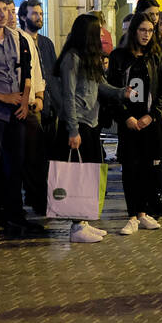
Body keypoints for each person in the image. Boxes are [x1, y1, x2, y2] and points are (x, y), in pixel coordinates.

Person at [52, 13, 128, 242]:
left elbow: (100, 86)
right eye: (99, 31)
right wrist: (73, 130)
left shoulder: (90, 58)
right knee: (76, 175)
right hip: (78, 124)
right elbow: (68, 95)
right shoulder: (72, 58)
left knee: (90, 173)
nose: (103, 35)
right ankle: (76, 226)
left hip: (92, 123)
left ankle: (83, 220)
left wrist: (121, 92)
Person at [0, 0, 40, 237]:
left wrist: (25, 99)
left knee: (16, 167)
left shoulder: (19, 39)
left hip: (17, 112)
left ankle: (16, 218)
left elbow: (26, 71)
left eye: (5, 9)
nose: (3, 14)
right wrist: (3, 98)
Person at [107, 11, 162, 234]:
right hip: (129, 121)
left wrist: (151, 115)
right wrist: (126, 117)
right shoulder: (119, 56)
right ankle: (132, 215)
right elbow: (112, 91)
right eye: (142, 30)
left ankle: (143, 214)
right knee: (130, 168)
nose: (146, 34)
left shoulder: (155, 55)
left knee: (148, 169)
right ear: (133, 31)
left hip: (149, 120)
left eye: (150, 30)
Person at [17, 0, 57, 216]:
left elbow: (51, 75)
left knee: (46, 156)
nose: (38, 17)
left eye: (40, 14)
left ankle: (41, 195)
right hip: (32, 107)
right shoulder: (20, 40)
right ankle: (34, 197)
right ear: (23, 16)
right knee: (33, 157)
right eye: (34, 14)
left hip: (49, 106)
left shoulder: (47, 43)